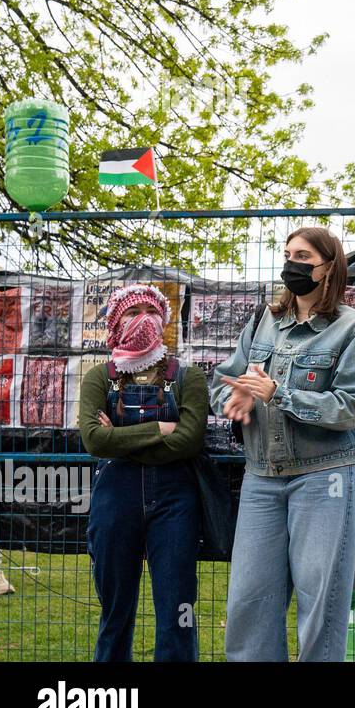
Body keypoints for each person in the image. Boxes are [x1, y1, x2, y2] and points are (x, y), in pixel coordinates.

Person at [210, 227, 355, 661]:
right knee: (249, 602)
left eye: (303, 256)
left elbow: (348, 408)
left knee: (321, 602)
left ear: (328, 267)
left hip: (325, 479)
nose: (291, 264)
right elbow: (223, 380)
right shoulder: (265, 319)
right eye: (287, 254)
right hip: (261, 479)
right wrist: (234, 398)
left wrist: (277, 393)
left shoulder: (351, 329)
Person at [78, 283, 207, 661]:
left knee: (177, 608)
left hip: (174, 500)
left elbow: (189, 440)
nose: (142, 320)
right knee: (115, 610)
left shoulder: (188, 377)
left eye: (150, 313)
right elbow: (93, 440)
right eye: (132, 314)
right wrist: (157, 429)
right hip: (116, 497)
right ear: (116, 323)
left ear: (163, 322)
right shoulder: (99, 378)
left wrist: (119, 435)